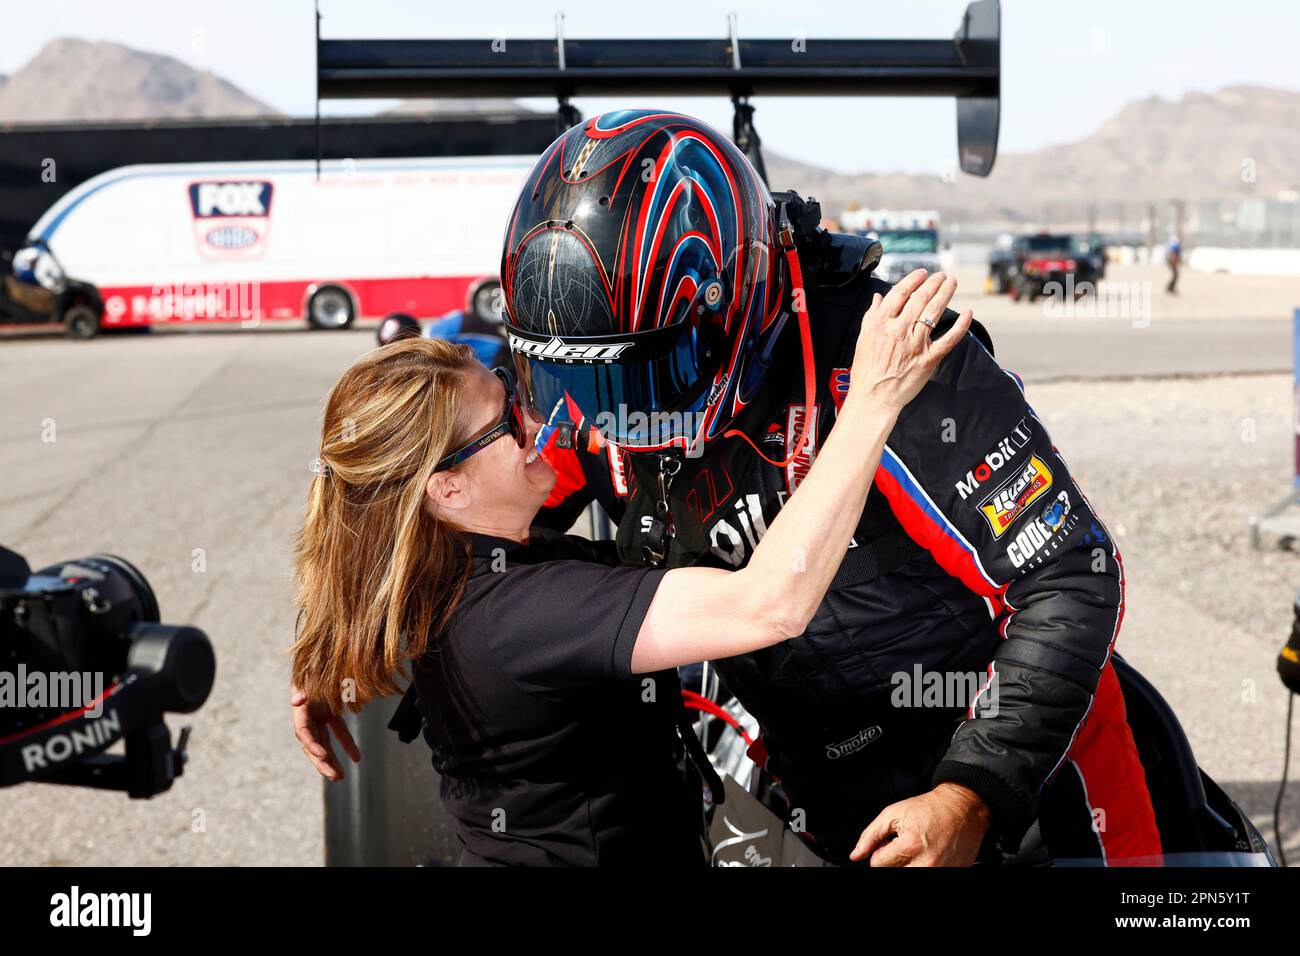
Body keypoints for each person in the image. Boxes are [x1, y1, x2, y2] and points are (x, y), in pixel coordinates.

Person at [498, 110, 1163, 866]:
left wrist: (970, 792)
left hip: (1032, 780)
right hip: (826, 788)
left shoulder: (892, 353)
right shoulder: (588, 387)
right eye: (586, 383)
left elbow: (1071, 573)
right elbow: (464, 516)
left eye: (648, 377)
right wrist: (339, 627)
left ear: (732, 298)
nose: (619, 414)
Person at [290, 274, 969, 866]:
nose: (534, 419)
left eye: (508, 384)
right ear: (446, 491)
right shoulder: (525, 611)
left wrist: (330, 656)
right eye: (507, 424)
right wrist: (873, 401)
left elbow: (361, 566)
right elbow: (767, 605)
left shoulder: (431, 572)